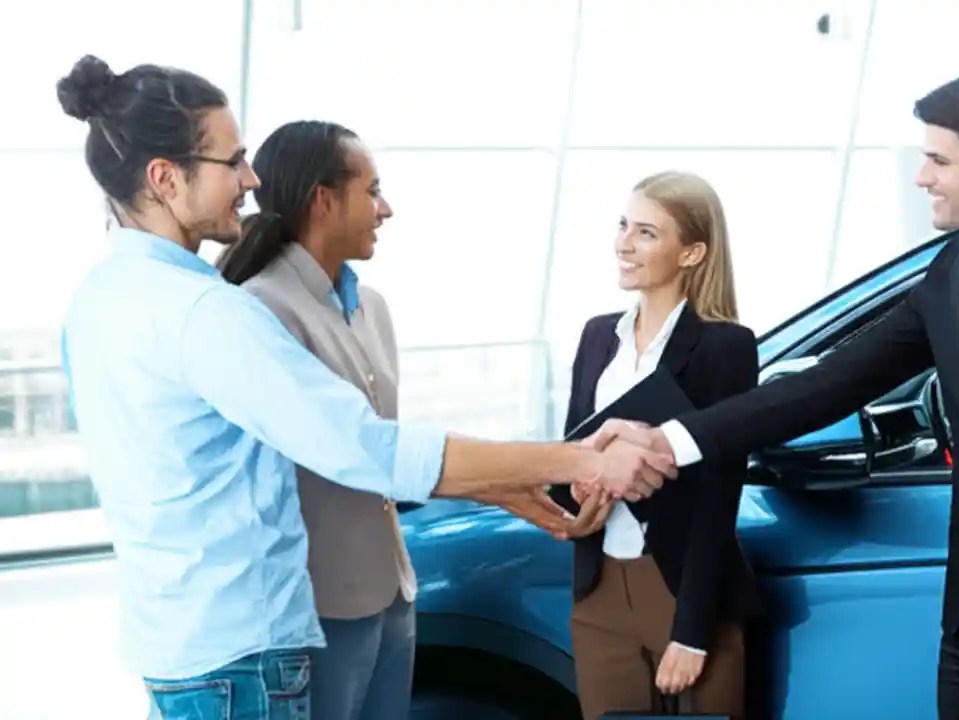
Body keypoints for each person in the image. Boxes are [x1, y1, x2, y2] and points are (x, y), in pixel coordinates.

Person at [55, 55, 672, 720]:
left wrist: (509, 486)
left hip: (182, 643)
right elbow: (365, 448)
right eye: (231, 162)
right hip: (242, 651)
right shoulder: (209, 314)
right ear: (166, 178)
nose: (250, 178)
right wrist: (579, 458)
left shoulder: (100, 299)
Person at [589, 71, 959, 719]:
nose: (923, 177)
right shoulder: (952, 271)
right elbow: (828, 384)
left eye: (939, 160)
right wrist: (670, 439)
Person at [213, 120, 420, 720]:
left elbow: (386, 444)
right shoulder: (260, 308)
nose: (386, 208)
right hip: (320, 606)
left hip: (391, 590)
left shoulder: (371, 306)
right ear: (323, 200)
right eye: (372, 190)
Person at [552, 172, 761, 720]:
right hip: (599, 587)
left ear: (692, 252)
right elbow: (574, 448)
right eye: (624, 225)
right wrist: (576, 486)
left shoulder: (726, 347)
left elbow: (721, 493)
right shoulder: (598, 336)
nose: (624, 243)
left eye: (646, 232)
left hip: (682, 589)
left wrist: (693, 633)